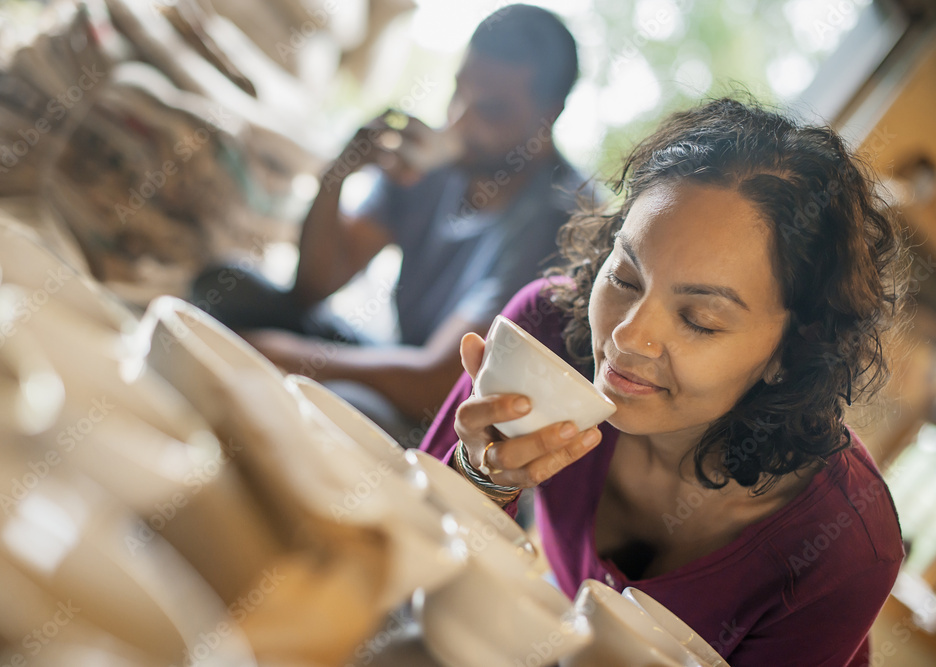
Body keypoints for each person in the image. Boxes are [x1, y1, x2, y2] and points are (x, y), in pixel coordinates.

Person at [421, 97, 908, 665]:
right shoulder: (550, 335)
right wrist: (480, 479)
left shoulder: (843, 546)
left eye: (698, 319)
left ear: (795, 351)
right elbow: (405, 543)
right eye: (626, 277)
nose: (628, 337)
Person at [190, 4, 583, 444]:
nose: (459, 120)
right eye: (458, 95)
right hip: (401, 364)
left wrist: (280, 355)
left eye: (489, 111)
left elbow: (437, 385)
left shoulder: (561, 221)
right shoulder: (430, 170)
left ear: (547, 118)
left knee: (348, 406)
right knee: (224, 287)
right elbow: (313, 289)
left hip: (460, 426)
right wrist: (336, 177)